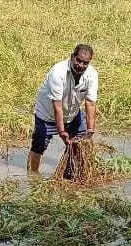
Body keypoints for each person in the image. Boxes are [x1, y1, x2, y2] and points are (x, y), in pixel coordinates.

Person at [27, 44, 98, 174]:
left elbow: (90, 103)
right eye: (78, 60)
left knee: (79, 143)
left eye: (85, 63)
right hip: (47, 113)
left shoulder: (92, 74)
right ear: (72, 57)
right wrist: (61, 131)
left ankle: (69, 173)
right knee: (39, 147)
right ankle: (33, 177)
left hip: (72, 113)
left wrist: (91, 128)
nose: (81, 65)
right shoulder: (58, 72)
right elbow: (57, 106)